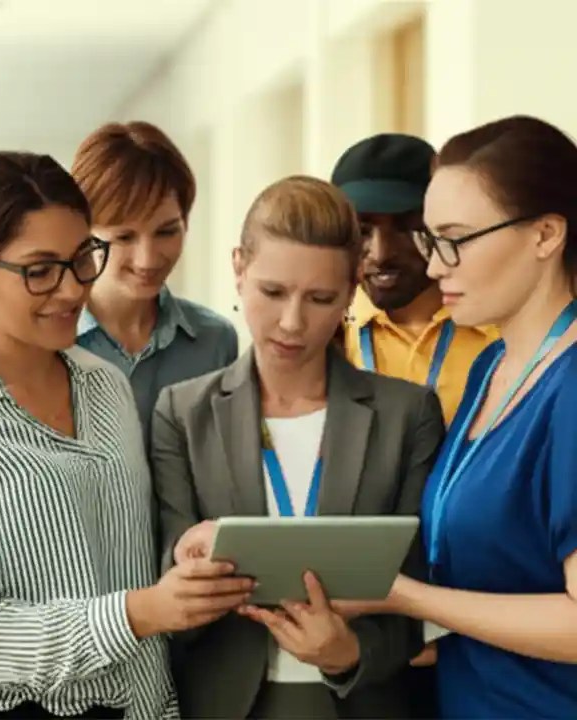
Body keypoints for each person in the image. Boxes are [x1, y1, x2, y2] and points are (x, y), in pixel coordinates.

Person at [0, 151, 255, 720]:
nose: (73, 290)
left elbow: (124, 568)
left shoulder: (104, 387)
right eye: (40, 270)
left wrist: (180, 558)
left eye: (82, 259)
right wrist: (139, 613)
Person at [154, 177, 444, 718]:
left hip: (365, 698)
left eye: (320, 299)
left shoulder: (408, 414)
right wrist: (185, 554)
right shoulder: (182, 413)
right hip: (225, 698)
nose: (292, 323)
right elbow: (163, 565)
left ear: (354, 286)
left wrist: (349, 652)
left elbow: (422, 587)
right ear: (239, 268)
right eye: (272, 292)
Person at [332, 115, 577, 719]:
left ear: (545, 234)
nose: (435, 267)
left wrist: (407, 599)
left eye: (453, 239)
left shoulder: (570, 385)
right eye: (430, 242)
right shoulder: (492, 366)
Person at [71, 122, 239, 442]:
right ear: (84, 233)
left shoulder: (214, 342)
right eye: (124, 237)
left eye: (166, 231)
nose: (147, 259)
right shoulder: (47, 345)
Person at [333, 133, 498, 425]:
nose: (382, 254)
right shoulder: (324, 334)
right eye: (363, 230)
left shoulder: (499, 334)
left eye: (405, 228)